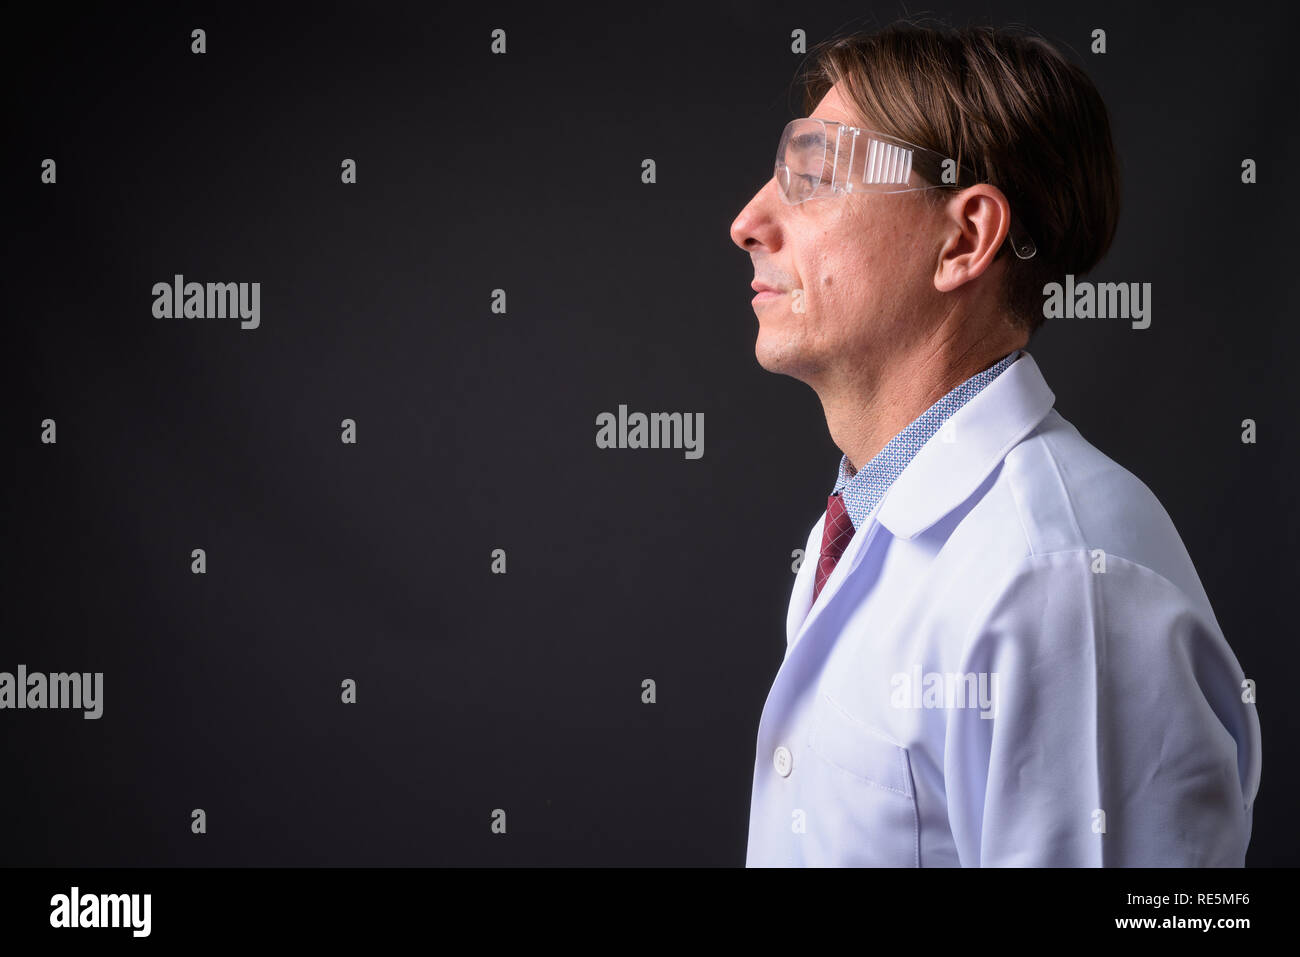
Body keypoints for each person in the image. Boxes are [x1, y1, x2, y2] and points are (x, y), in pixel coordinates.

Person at [728, 20, 1261, 866]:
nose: (748, 221)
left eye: (815, 174)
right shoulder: (864, 520)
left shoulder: (1061, 584)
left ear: (966, 238)